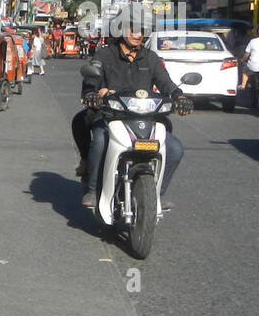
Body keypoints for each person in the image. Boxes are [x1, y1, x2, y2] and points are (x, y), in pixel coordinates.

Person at [77, 22, 193, 209]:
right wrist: (91, 92)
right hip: (112, 115)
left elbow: (166, 83)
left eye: (142, 31)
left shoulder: (150, 57)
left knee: (175, 149)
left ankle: (157, 195)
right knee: (99, 140)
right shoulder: (105, 54)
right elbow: (92, 77)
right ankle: (92, 188)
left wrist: (180, 96)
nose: (138, 34)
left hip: (146, 117)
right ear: (121, 32)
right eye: (133, 30)